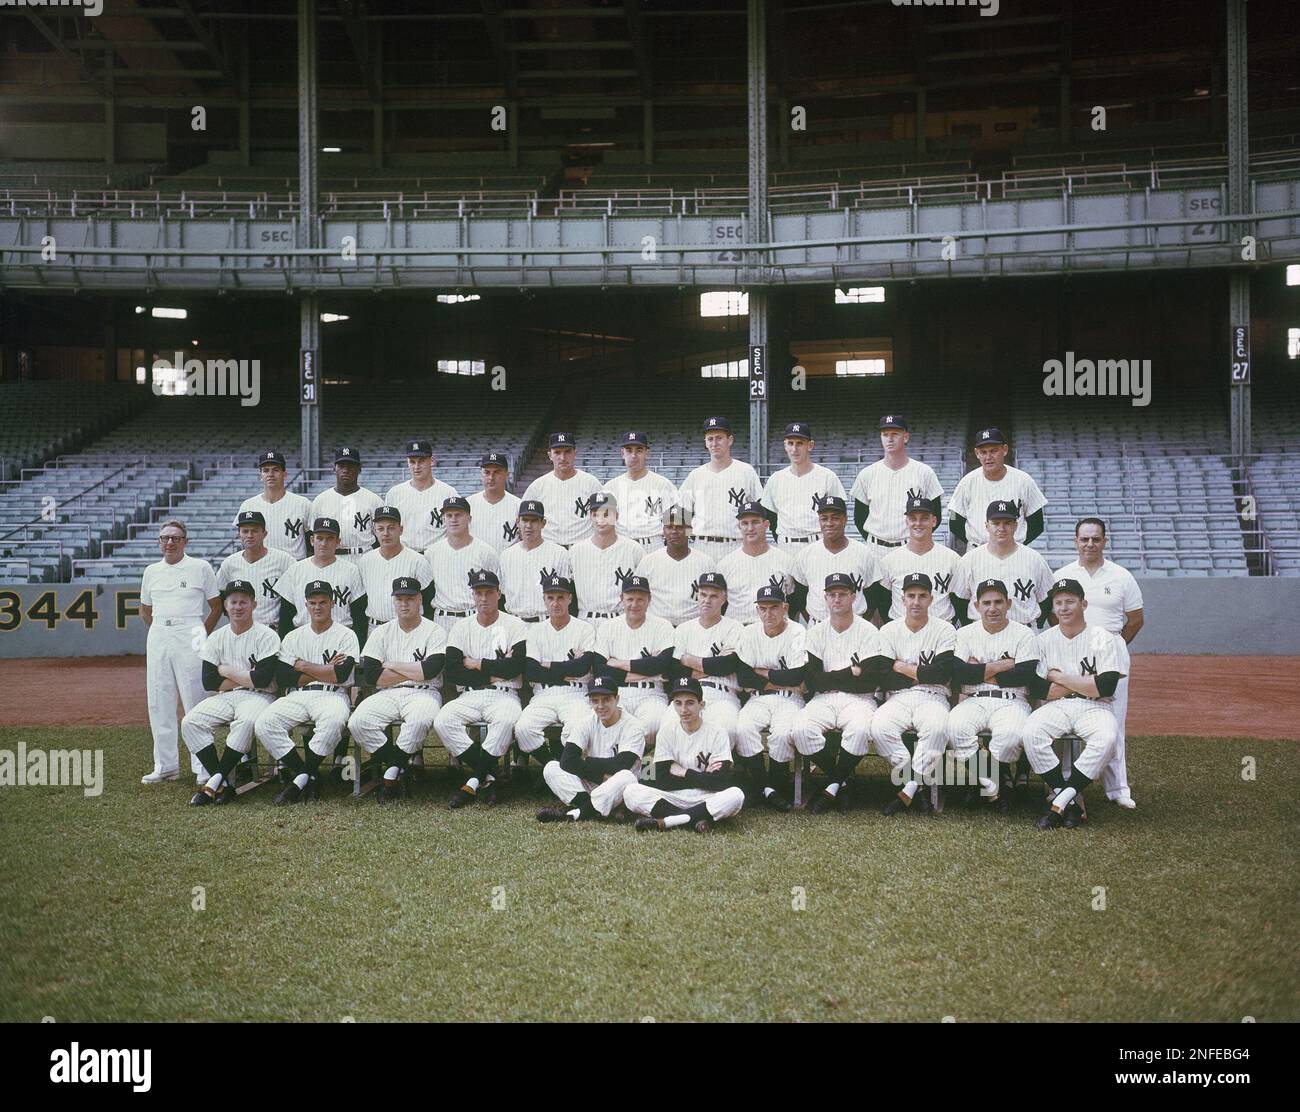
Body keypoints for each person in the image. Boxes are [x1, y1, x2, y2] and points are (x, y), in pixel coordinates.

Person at [1051, 517, 1144, 809]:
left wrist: (1111, 649)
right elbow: (1055, 616)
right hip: (1070, 649)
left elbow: (1136, 620)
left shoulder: (1121, 576)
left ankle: (1117, 788)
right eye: (1084, 539)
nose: (1090, 544)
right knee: (1066, 714)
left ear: (1104, 541)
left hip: (1109, 649)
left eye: (1095, 539)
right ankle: (1065, 780)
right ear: (1075, 541)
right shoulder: (1063, 574)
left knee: (1114, 719)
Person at [1023, 578, 1128, 831]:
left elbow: (1106, 686)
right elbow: (1038, 689)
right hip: (1056, 706)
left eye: (1070, 601)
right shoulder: (1043, 639)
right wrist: (1085, 682)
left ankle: (1061, 797)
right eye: (1058, 603)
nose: (1064, 607)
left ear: (1084, 603)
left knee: (1107, 737)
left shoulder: (1103, 637)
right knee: (1030, 733)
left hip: (1095, 707)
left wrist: (1060, 677)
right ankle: (1069, 801)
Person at [254, 580, 360, 804]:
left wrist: (302, 665)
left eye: (323, 602)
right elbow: (284, 677)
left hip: (333, 694)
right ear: (306, 605)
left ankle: (300, 780)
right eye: (312, 603)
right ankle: (309, 774)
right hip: (298, 694)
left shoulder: (346, 635)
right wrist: (325, 669)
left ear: (332, 603)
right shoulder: (293, 636)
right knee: (265, 723)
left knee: (334, 721)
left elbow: (340, 676)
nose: (318, 607)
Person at [799, 574, 893, 815]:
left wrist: (831, 676)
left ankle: (831, 788)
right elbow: (812, 681)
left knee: (860, 730)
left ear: (854, 596)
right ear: (825, 598)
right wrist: (850, 673)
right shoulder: (816, 632)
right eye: (832, 594)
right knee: (800, 730)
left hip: (859, 700)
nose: (837, 599)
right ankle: (841, 781)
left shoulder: (868, 631)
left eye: (843, 594)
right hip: (824, 699)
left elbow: (869, 682)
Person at [348, 576, 447, 803]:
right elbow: (372, 675)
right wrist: (413, 669)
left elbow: (431, 670)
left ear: (420, 599)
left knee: (421, 720)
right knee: (358, 722)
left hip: (424, 691)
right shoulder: (381, 632)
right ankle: (399, 767)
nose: (404, 604)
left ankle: (390, 774)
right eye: (400, 599)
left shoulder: (435, 631)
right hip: (387, 693)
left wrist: (391, 665)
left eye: (410, 598)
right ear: (394, 601)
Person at [181, 579, 280, 805]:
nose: (238, 607)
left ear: (254, 605)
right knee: (190, 722)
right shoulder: (216, 637)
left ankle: (212, 784)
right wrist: (245, 676)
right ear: (225, 605)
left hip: (260, 696)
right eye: (233, 602)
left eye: (243, 602)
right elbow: (209, 682)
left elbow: (262, 679)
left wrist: (225, 671)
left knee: (245, 722)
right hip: (226, 696)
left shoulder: (267, 635)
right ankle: (223, 784)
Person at [945, 578, 1040, 812]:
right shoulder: (965, 633)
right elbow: (959, 673)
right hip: (974, 699)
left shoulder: (1024, 633)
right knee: (955, 728)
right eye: (986, 603)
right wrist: (1003, 665)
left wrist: (979, 669)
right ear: (976, 606)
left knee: (1009, 738)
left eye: (998, 602)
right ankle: (993, 783)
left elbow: (1025, 675)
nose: (992, 608)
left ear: (1008, 603)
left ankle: (983, 783)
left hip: (1011, 700)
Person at [435, 570, 528, 809]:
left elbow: (516, 667)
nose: (484, 598)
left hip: (505, 695)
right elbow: (454, 671)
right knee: (443, 720)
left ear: (499, 593)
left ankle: (473, 782)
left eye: (489, 592)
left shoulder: (514, 625)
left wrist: (477, 663)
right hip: (469, 695)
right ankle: (490, 776)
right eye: (478, 593)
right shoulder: (460, 627)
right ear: (473, 596)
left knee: (507, 721)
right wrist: (497, 671)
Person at [139, 519, 221, 784]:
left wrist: (200, 632)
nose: (170, 543)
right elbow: (145, 609)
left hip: (192, 632)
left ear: (186, 541)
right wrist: (162, 630)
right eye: (165, 538)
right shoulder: (151, 571)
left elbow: (216, 606)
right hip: (160, 634)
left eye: (175, 538)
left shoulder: (200, 568)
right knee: (159, 700)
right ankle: (165, 766)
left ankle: (203, 767)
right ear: (158, 542)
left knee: (195, 699)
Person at [874, 573, 957, 817]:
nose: (916, 602)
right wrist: (923, 672)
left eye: (922, 596)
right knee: (879, 728)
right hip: (898, 696)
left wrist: (901, 666)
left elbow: (942, 674)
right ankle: (917, 786)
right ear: (902, 599)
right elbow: (883, 676)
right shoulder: (889, 630)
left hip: (933, 695)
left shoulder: (944, 629)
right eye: (911, 596)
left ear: (931, 599)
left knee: (937, 728)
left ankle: (908, 788)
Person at [623, 677, 746, 833]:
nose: (683, 709)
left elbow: (721, 782)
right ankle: (696, 818)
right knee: (631, 791)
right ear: (672, 704)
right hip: (673, 796)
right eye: (678, 703)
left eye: (690, 703)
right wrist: (703, 777)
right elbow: (660, 780)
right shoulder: (667, 731)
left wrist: (684, 772)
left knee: (735, 795)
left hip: (706, 796)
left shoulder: (718, 733)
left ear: (702, 705)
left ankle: (667, 821)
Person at [512, 575, 596, 781]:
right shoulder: (535, 631)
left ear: (570, 599)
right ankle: (556, 767)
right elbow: (532, 671)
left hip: (575, 693)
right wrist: (568, 668)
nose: (555, 603)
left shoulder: (584, 628)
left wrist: (547, 665)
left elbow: (583, 667)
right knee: (523, 729)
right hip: (544, 694)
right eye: (550, 597)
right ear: (544, 599)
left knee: (578, 727)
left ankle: (567, 768)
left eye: (560, 597)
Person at [733, 584, 808, 812]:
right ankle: (765, 787)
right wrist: (780, 677)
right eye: (763, 608)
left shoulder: (797, 632)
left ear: (785, 607)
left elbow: (798, 676)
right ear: (757, 610)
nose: (768, 613)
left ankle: (776, 785)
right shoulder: (749, 632)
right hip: (758, 698)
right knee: (742, 728)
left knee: (783, 733)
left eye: (774, 607)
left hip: (790, 698)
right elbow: (744, 678)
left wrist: (761, 672)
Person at [536, 675, 644, 824]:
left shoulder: (633, 725)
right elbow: (567, 760)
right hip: (595, 781)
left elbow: (621, 764)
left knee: (626, 776)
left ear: (617, 699)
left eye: (606, 699)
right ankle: (599, 809)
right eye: (595, 700)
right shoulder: (587, 722)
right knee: (551, 768)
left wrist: (587, 761)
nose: (600, 706)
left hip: (621, 788)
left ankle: (577, 813)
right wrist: (600, 777)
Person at [591, 576, 675, 750]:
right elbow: (600, 669)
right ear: (621, 598)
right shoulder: (608, 627)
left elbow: (663, 665)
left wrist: (619, 663)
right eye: (630, 599)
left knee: (652, 725)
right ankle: (618, 771)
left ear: (649, 600)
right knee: (610, 727)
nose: (634, 604)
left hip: (652, 694)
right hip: (617, 693)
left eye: (640, 599)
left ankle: (639, 770)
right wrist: (648, 668)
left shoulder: (662, 626)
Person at [850, 415, 943, 556]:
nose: (890, 439)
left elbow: (936, 515)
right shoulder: (867, 474)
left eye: (895, 434)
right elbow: (859, 517)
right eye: (885, 434)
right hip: (875, 548)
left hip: (910, 547)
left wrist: (917, 540)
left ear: (905, 437)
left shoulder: (924, 472)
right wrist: (874, 540)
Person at [668, 572, 744, 744]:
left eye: (713, 596)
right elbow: (675, 672)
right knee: (668, 726)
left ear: (724, 599)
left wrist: (686, 659)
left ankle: (720, 769)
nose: (707, 600)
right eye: (703, 594)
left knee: (727, 729)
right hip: (687, 695)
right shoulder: (683, 629)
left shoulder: (735, 628)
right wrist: (713, 666)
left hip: (723, 696)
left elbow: (728, 666)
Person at [953, 501, 1054, 628]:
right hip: (981, 633)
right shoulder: (970, 560)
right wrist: (971, 626)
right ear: (986, 526)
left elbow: (1048, 597)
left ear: (1016, 526)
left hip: (1023, 631)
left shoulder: (1034, 559)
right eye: (995, 523)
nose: (1001, 528)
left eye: (1007, 523)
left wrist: (1035, 623)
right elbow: (958, 599)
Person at [869, 495, 962, 626]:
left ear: (934, 521)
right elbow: (883, 601)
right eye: (913, 519)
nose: (918, 523)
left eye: (924, 519)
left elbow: (959, 600)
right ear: (906, 521)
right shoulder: (889, 561)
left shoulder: (952, 559)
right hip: (901, 631)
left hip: (941, 630)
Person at [677, 416, 762, 560]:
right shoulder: (695, 475)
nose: (714, 443)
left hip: (736, 545)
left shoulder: (746, 472)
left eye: (719, 438)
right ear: (705, 442)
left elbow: (759, 510)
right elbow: (680, 513)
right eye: (710, 439)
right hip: (701, 545)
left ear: (730, 440)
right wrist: (687, 542)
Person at [948, 427, 1047, 548]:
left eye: (993, 451)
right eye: (983, 452)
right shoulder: (966, 483)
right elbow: (953, 520)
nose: (988, 457)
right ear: (976, 453)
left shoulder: (1024, 481)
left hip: (1014, 551)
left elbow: (1037, 524)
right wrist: (977, 544)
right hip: (977, 551)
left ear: (1004, 450)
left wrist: (1016, 546)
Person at [272, 517, 368, 639]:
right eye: (320, 538)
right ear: (312, 540)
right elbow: (286, 615)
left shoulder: (351, 570)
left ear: (338, 542)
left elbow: (359, 616)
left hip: (341, 637)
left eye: (329, 538)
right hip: (302, 637)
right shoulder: (295, 569)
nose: (324, 543)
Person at [792, 495, 879, 625]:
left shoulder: (864, 553)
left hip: (855, 627)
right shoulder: (806, 554)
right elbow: (800, 594)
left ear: (845, 519)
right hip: (818, 625)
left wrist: (861, 622)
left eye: (835, 518)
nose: (829, 523)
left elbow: (873, 594)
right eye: (824, 518)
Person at [761, 421, 846, 549]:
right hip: (786, 545)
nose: (794, 449)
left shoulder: (827, 476)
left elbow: (841, 514)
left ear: (810, 445)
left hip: (817, 543)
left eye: (800, 443)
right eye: (790, 443)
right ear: (785, 445)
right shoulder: (775, 479)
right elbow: (771, 517)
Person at [425, 496, 501, 632]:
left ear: (469, 518)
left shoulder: (486, 552)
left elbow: (496, 593)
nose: (453, 519)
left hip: (475, 618)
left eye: (458, 515)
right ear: (443, 518)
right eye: (449, 515)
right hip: (442, 619)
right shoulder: (432, 553)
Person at [216, 510, 296, 636]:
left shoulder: (284, 560)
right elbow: (220, 597)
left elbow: (295, 597)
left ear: (264, 534)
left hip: (272, 631)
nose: (249, 535)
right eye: (245, 531)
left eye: (254, 531)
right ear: (238, 534)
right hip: (241, 632)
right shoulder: (229, 563)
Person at [718, 501, 798, 625]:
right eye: (745, 523)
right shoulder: (725, 564)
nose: (750, 528)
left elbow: (794, 600)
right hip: (738, 630)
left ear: (766, 524)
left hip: (774, 630)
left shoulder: (785, 560)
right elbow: (720, 605)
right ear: (739, 526)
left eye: (755, 522)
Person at [356, 506, 434, 634]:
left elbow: (428, 601)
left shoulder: (418, 561)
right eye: (381, 529)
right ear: (375, 531)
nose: (386, 533)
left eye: (391, 528)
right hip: (375, 628)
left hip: (409, 629)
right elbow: (361, 603)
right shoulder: (365, 561)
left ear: (401, 529)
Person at [638, 506, 718, 627]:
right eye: (669, 527)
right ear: (663, 531)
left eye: (680, 527)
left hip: (694, 627)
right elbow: (639, 597)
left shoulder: (706, 562)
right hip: (657, 627)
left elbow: (716, 601)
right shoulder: (649, 561)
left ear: (689, 530)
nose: (674, 531)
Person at [521, 432, 604, 548]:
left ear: (575, 453)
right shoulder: (537, 486)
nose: (563, 457)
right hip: (549, 549)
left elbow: (606, 519)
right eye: (557, 452)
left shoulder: (592, 483)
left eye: (567, 452)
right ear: (550, 455)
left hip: (583, 548)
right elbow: (522, 520)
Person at [570, 492, 642, 620]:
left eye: (606, 514)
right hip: (585, 619)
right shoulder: (576, 551)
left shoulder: (633, 549)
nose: (600, 520)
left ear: (616, 516)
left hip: (620, 618)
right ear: (590, 516)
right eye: (595, 514)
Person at [602, 431, 678, 551]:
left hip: (653, 544)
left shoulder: (663, 484)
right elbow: (604, 524)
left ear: (647, 453)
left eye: (639, 450)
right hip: (621, 545)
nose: (633, 455)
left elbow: (677, 520)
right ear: (622, 453)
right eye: (629, 450)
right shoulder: (610, 487)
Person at [498, 500, 572, 623]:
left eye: (534, 521)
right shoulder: (506, 556)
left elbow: (565, 596)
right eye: (525, 520)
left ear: (543, 523)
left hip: (546, 622)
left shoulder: (559, 553)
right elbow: (503, 595)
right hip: (515, 623)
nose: (528, 525)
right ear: (517, 522)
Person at [309, 446, 384, 563]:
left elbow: (382, 537)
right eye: (341, 466)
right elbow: (313, 537)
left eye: (351, 466)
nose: (346, 470)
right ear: (334, 468)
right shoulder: (320, 500)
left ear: (359, 469)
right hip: (332, 558)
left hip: (365, 557)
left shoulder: (374, 500)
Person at [383, 438, 460, 551]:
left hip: (438, 555)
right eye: (412, 461)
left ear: (432, 461)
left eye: (421, 460)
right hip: (405, 555)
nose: (416, 466)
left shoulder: (449, 493)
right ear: (407, 462)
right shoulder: (394, 493)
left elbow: (457, 529)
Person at [237, 449, 312, 560]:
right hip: (262, 567)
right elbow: (243, 540)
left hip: (294, 567)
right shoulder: (248, 505)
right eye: (266, 470)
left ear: (285, 474)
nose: (270, 474)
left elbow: (314, 539)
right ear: (261, 475)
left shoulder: (302, 503)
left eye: (275, 470)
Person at [468, 450, 521, 553]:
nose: (491, 478)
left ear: (506, 474)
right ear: (481, 474)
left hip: (508, 565)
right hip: (477, 564)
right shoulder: (468, 504)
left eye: (497, 472)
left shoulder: (518, 505)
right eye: (487, 472)